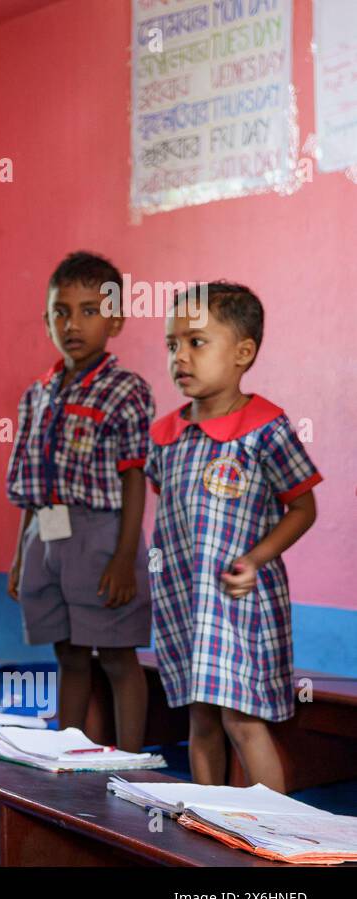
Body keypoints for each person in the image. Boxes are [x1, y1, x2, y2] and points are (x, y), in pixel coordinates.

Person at [148, 283, 320, 791]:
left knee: (242, 722)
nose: (180, 355)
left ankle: (277, 834)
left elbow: (303, 506)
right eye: (172, 344)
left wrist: (256, 558)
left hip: (240, 604)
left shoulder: (266, 427)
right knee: (200, 721)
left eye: (196, 342)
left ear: (243, 353)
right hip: (185, 603)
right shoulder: (166, 435)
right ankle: (209, 828)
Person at [5, 251, 154, 753]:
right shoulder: (38, 394)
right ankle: (66, 753)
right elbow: (30, 480)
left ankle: (133, 761)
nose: (73, 324)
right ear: (47, 319)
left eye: (89, 310)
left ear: (115, 318)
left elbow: (135, 477)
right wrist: (19, 555)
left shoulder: (126, 391)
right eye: (60, 312)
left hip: (103, 533)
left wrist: (124, 558)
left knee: (115, 655)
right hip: (44, 533)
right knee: (67, 651)